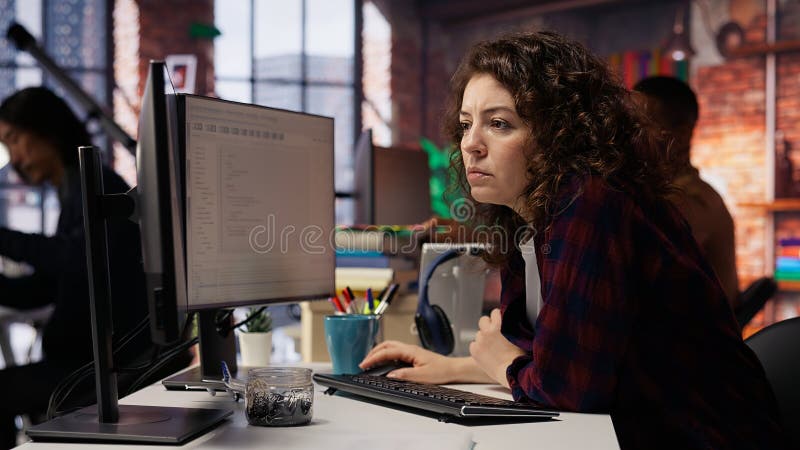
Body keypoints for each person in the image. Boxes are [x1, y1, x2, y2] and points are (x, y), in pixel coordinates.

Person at [360, 32, 786, 449]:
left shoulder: (590, 201)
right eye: (467, 124)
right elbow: (544, 353)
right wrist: (457, 368)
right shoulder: (526, 217)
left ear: (558, 134)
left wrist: (502, 361)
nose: (470, 144)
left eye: (499, 124)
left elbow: (568, 389)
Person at [0, 87, 152, 448]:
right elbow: (49, 285)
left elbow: (74, 259)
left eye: (15, 140)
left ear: (47, 131)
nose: (14, 158)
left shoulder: (95, 186)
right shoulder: (73, 190)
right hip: (84, 364)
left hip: (103, 371)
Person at [633, 76, 739, 305]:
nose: (629, 133)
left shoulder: (694, 201)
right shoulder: (660, 194)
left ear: (681, 134)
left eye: (642, 123)